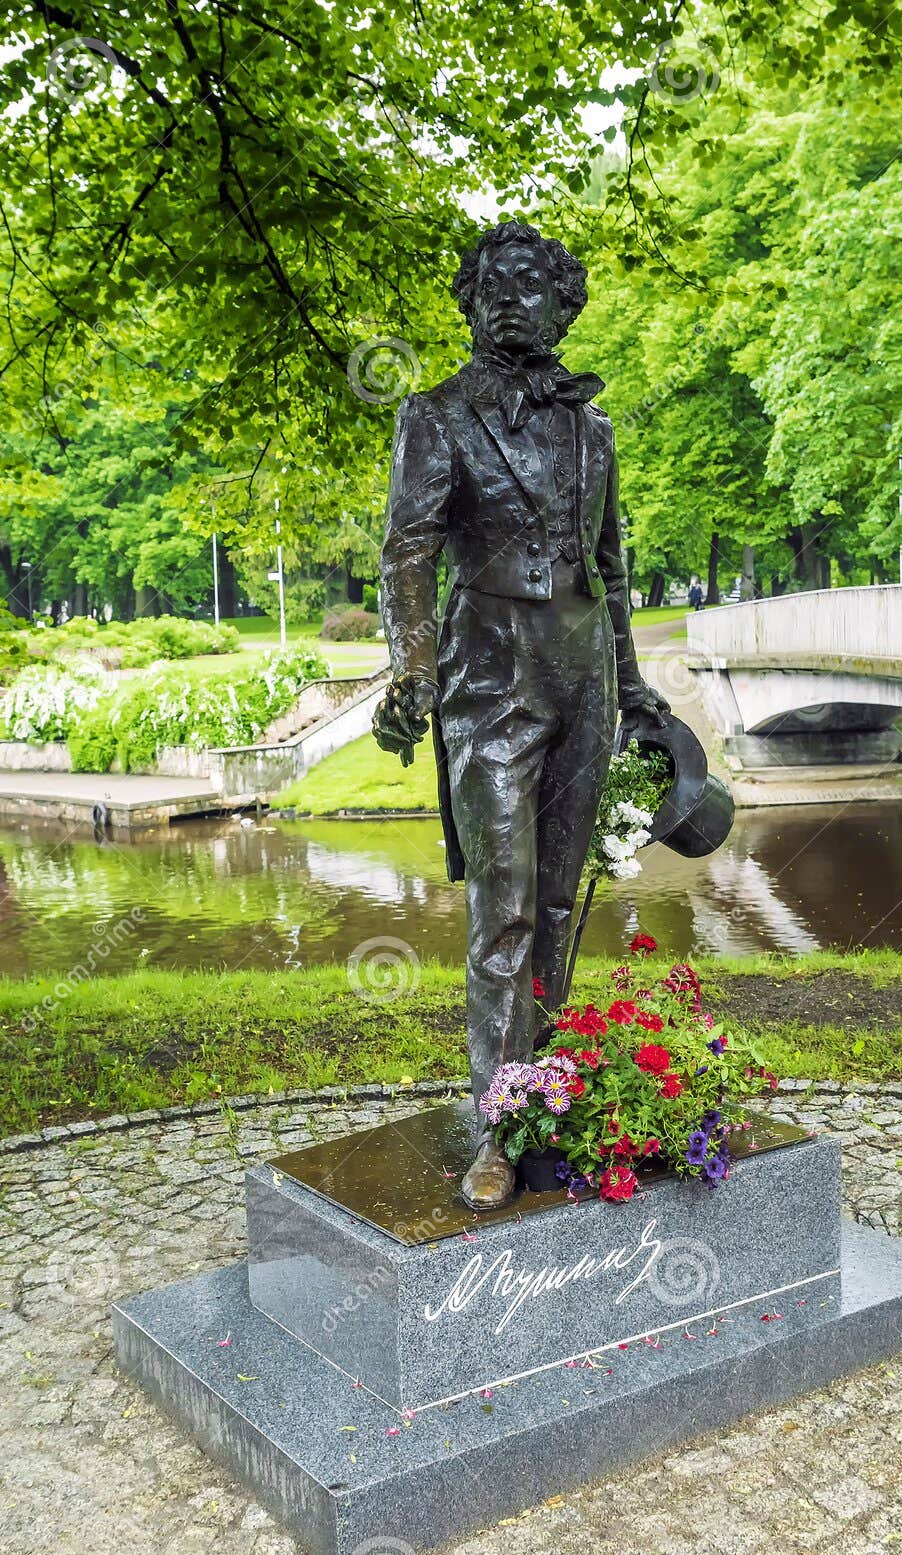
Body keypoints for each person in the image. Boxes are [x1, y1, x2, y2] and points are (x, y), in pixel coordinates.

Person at [371, 221, 670, 1209]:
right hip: (490, 680)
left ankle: (543, 1092)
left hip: (579, 674)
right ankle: (497, 1129)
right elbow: (407, 551)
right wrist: (410, 669)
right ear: (469, 301)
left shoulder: (594, 429)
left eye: (530, 285)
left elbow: (612, 568)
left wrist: (634, 692)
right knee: (500, 908)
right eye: (490, 285)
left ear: (561, 304)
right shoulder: (435, 415)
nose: (508, 300)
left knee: (552, 906)